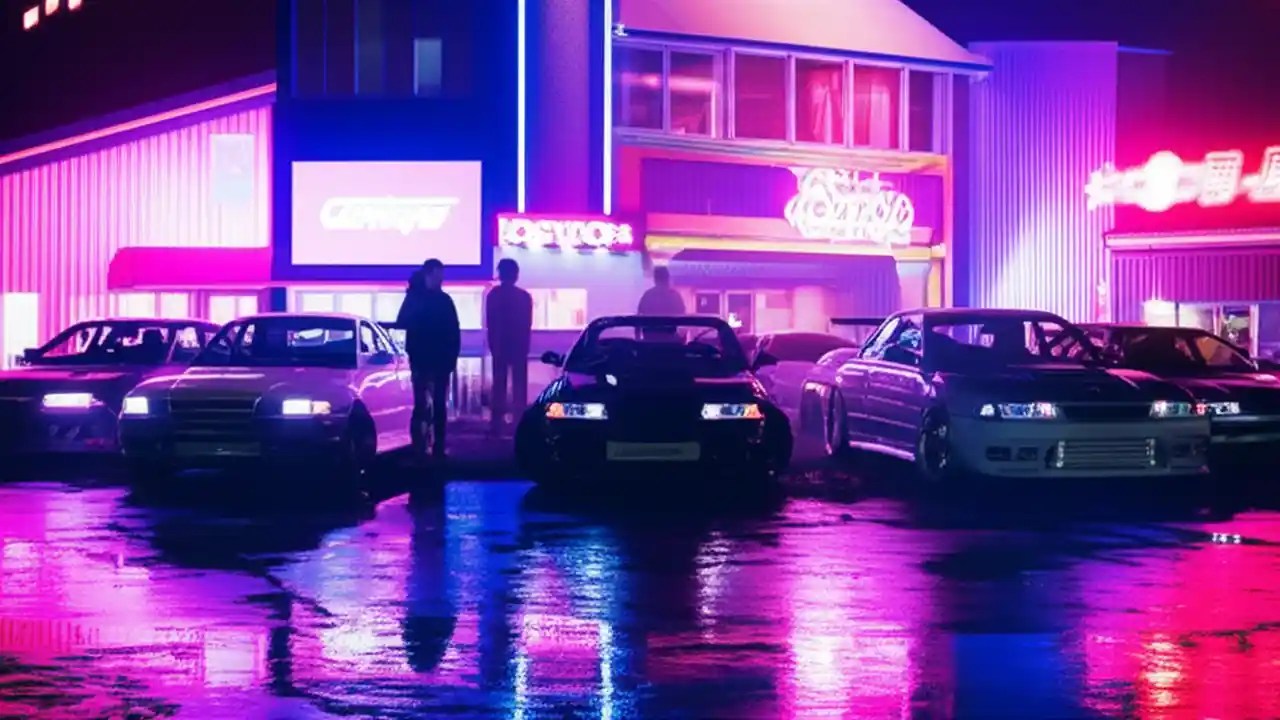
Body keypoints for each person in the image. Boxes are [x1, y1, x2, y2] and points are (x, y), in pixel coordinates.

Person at [397, 259, 461, 459]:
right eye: (438, 275)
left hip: (426, 358)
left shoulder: (416, 299)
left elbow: (402, 323)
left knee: (426, 405)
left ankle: (424, 446)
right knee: (431, 405)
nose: (441, 279)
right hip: (432, 359)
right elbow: (453, 331)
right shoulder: (441, 300)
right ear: (429, 274)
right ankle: (431, 446)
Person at [484, 258, 533, 436]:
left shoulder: (493, 295)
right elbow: (527, 325)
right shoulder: (524, 297)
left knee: (499, 385)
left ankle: (497, 423)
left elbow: (491, 323)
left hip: (500, 347)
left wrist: (492, 345)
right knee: (520, 385)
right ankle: (519, 421)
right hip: (519, 347)